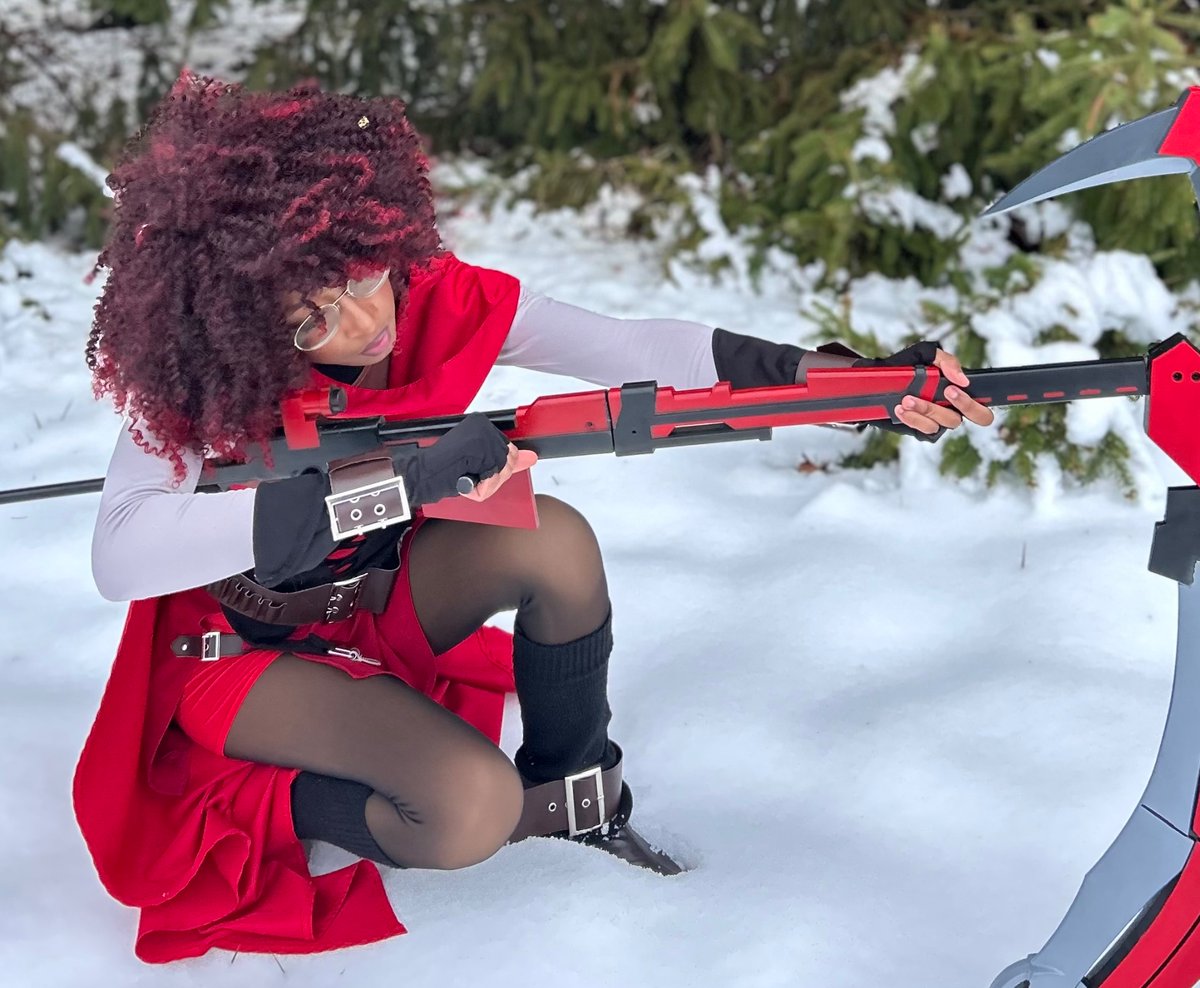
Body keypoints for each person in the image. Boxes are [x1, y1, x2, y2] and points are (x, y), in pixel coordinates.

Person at [73, 71, 995, 964]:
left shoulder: (434, 296)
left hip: (373, 605)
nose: (363, 321)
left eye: (362, 272)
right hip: (240, 652)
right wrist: (391, 486)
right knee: (469, 809)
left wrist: (835, 384)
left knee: (555, 543)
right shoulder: (201, 376)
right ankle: (281, 795)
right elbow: (121, 553)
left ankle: (579, 801)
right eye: (313, 318)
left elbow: (631, 349)